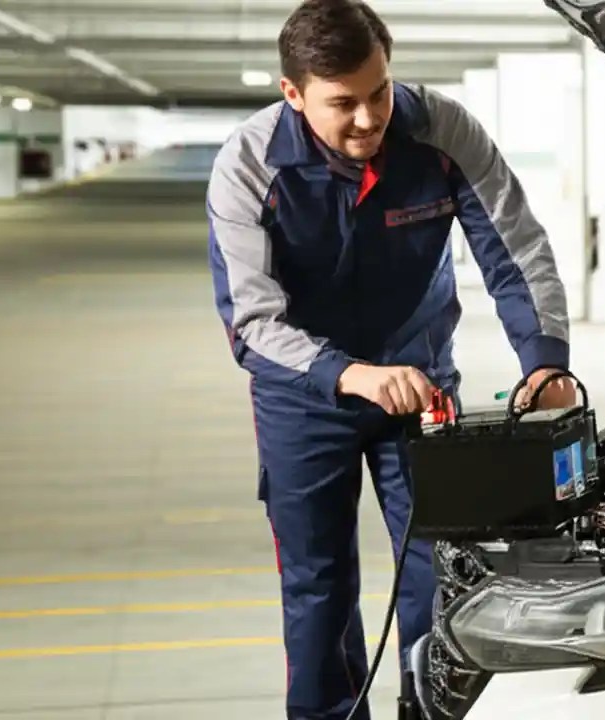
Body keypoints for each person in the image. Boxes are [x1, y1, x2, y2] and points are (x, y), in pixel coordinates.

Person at [204, 1, 577, 717]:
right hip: (304, 398)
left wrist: (545, 361)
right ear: (293, 93)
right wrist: (352, 374)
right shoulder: (248, 165)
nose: (369, 119)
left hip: (423, 390)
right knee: (319, 590)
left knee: (442, 575)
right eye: (342, 103)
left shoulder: (441, 129)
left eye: (378, 91)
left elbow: (515, 249)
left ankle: (433, 709)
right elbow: (252, 322)